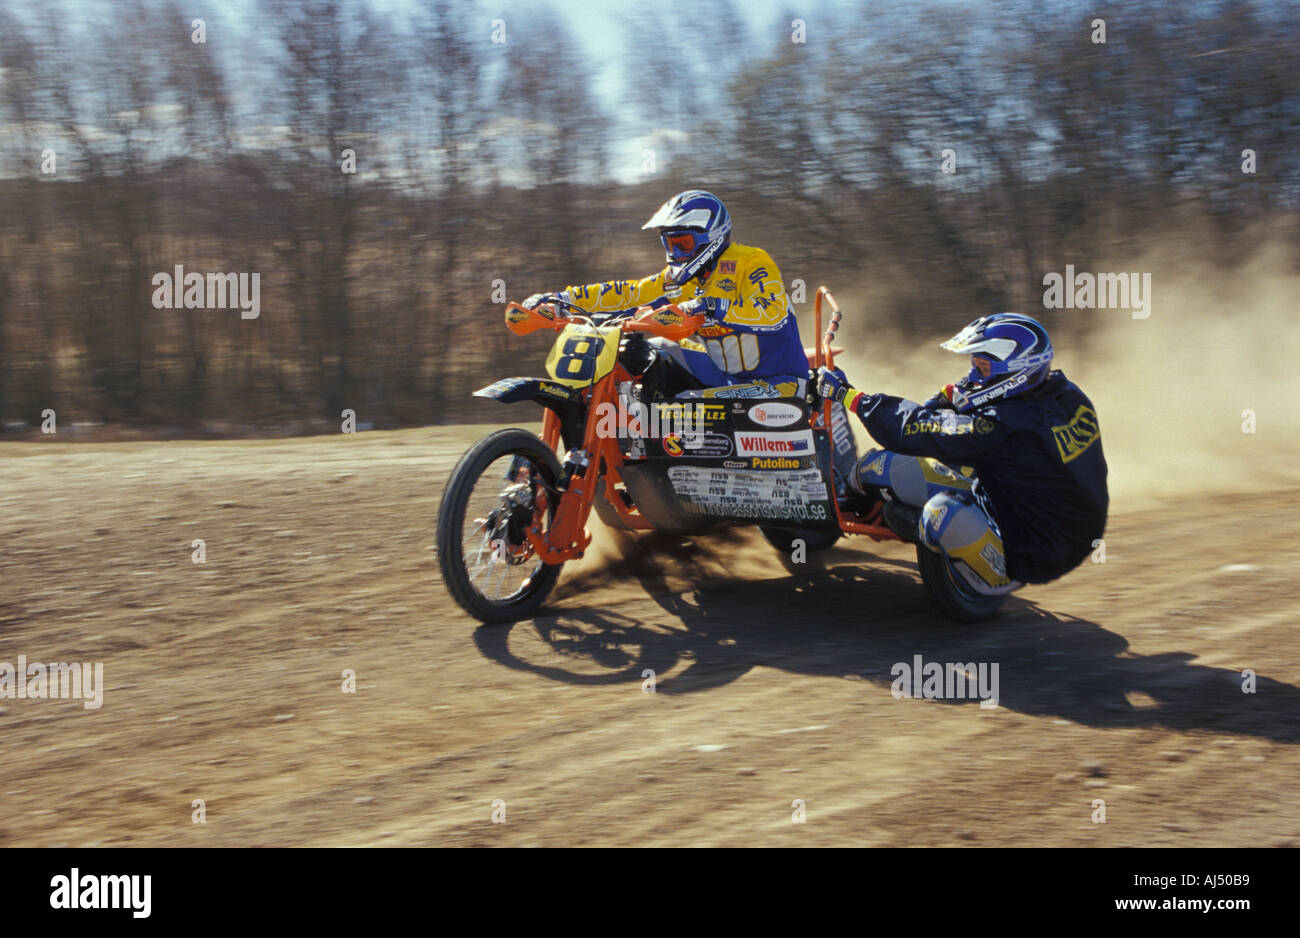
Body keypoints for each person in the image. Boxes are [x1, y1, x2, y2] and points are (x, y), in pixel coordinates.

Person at [816, 313, 1108, 595]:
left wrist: (849, 396)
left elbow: (917, 430)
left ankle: (999, 577)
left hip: (1041, 549)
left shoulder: (1001, 427)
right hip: (1049, 516)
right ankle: (851, 503)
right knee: (877, 467)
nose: (971, 375)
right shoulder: (1067, 395)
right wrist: (955, 399)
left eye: (981, 369)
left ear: (1017, 373)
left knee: (939, 515)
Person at [522, 190, 807, 399]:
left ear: (712, 238)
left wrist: (711, 306)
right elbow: (628, 292)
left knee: (683, 407)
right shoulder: (680, 279)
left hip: (778, 382)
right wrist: (563, 299)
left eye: (683, 244)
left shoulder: (752, 261)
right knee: (642, 353)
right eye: (669, 244)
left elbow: (773, 312)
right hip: (723, 374)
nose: (675, 254)